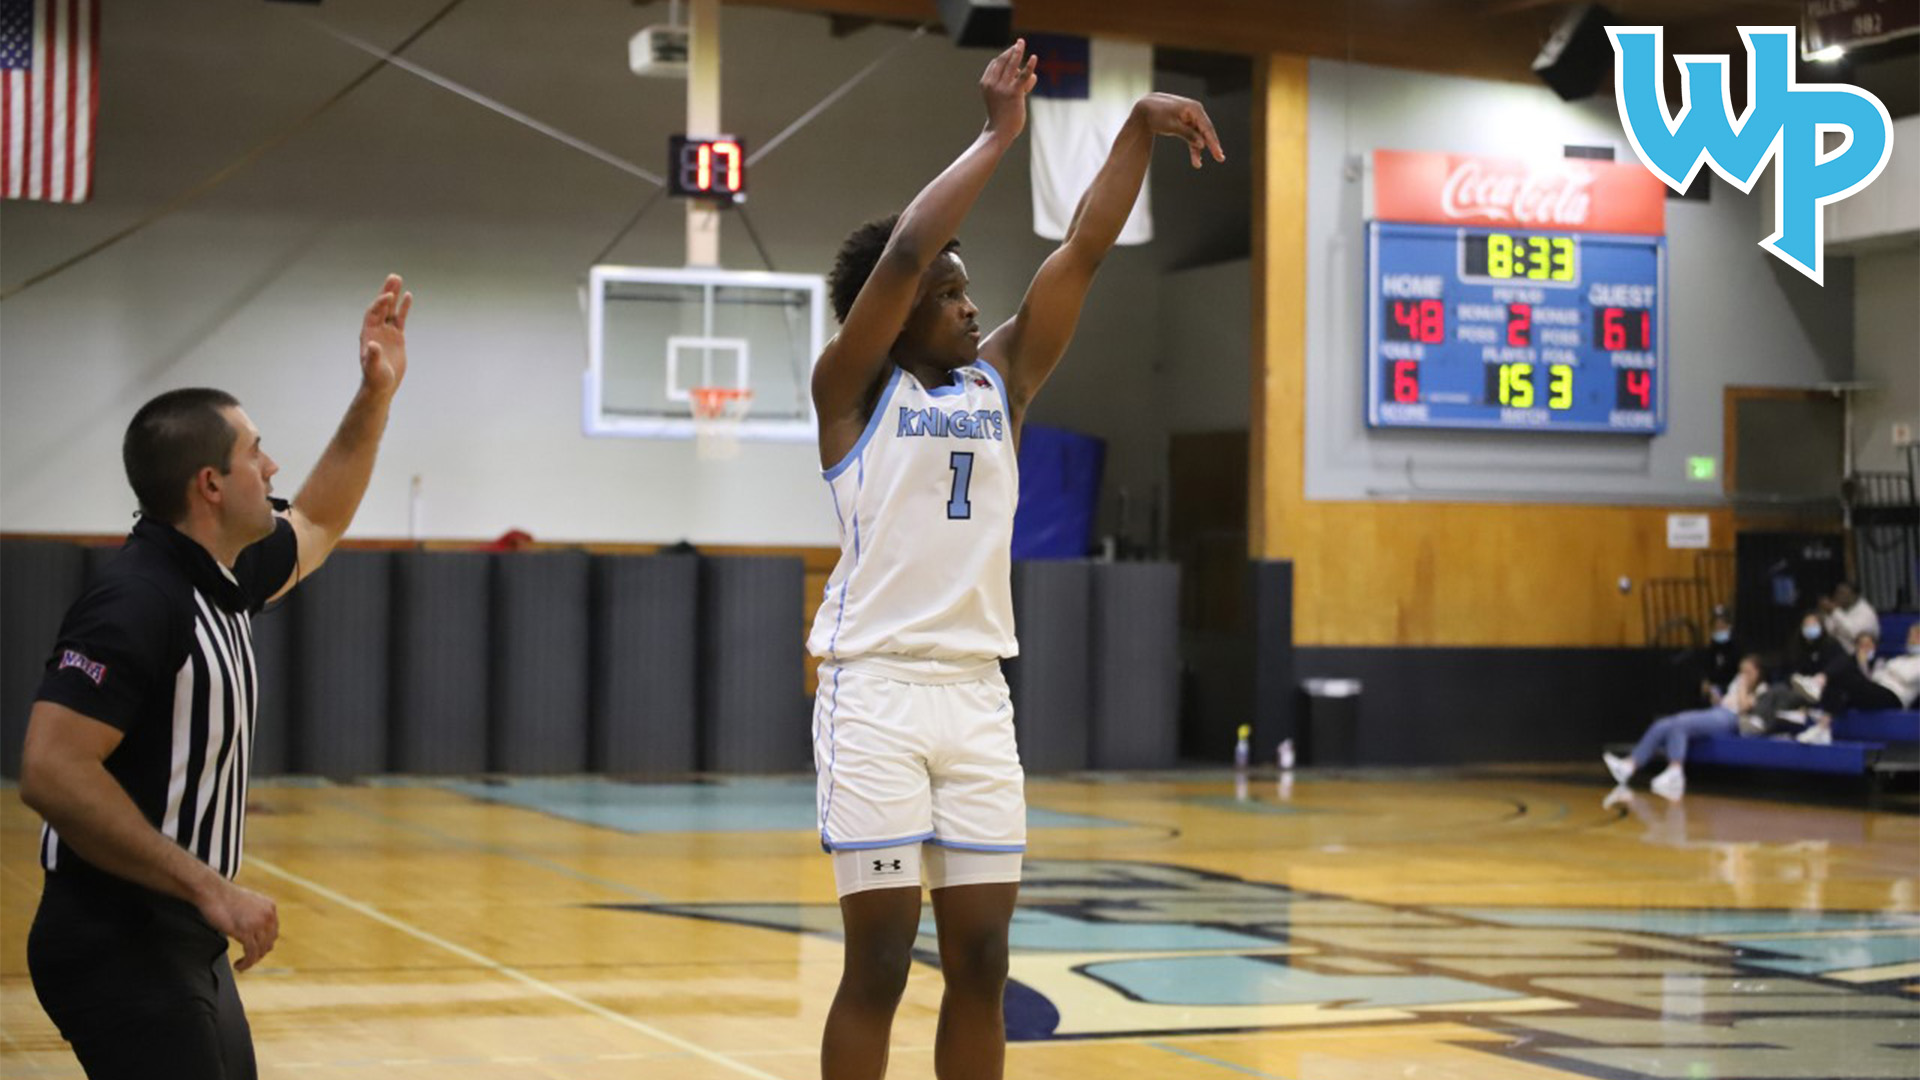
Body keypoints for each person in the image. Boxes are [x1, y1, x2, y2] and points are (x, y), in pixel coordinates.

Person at [805, 40, 1221, 1080]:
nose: (968, 303)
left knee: (983, 961)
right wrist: (998, 136)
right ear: (899, 317)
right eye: (949, 294)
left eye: (968, 289)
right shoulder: (851, 392)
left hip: (978, 700)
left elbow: (1080, 248)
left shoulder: (1002, 386)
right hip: (879, 697)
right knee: (882, 963)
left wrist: (1132, 132)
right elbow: (903, 251)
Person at [19, 275, 414, 1079]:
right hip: (118, 938)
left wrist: (376, 393)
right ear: (210, 485)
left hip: (181, 935)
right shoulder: (136, 601)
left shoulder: (223, 575)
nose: (272, 465)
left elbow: (321, 517)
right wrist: (213, 887)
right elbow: (51, 770)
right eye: (254, 452)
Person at [1606, 655, 1764, 800]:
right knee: (1663, 724)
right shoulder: (1735, 684)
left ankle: (1676, 771)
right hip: (1717, 711)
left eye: (1747, 671)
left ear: (1757, 672)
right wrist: (1716, 697)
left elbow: (1743, 707)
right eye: (1741, 671)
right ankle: (1628, 766)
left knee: (1680, 723)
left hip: (1731, 719)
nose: (1742, 675)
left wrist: (1742, 685)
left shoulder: (1763, 689)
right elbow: (1725, 702)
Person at [1790, 623, 1920, 743]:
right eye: (1911, 635)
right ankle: (1823, 728)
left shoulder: (1902, 662)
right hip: (1878, 689)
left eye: (1916, 635)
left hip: (1895, 697)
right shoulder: (1900, 659)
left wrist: (1890, 669)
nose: (1911, 638)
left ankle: (1818, 681)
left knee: (1845, 674)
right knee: (1837, 685)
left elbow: (1908, 676)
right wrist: (1889, 670)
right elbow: (1876, 677)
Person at [1820, 581, 1879, 654]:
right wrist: (1828, 614)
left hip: (1859, 654)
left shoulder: (1866, 612)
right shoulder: (1842, 609)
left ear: (1854, 595)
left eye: (1842, 593)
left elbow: (1854, 634)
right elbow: (1830, 631)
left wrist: (1834, 611)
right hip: (1839, 653)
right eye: (1837, 593)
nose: (1837, 596)